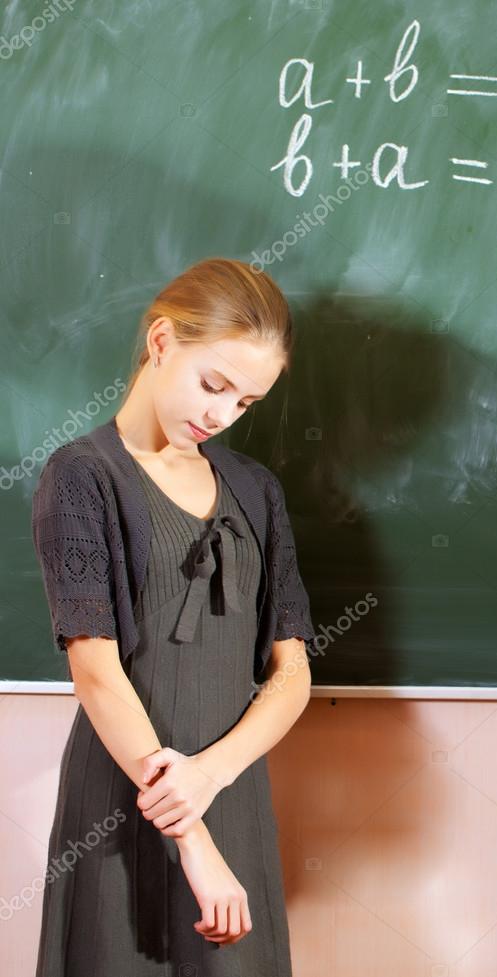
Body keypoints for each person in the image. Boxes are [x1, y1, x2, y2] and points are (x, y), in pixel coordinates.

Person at [30, 258, 316, 976]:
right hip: (121, 799)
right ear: (162, 343)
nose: (220, 415)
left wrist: (210, 778)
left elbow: (293, 672)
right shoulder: (82, 474)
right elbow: (95, 672)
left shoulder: (255, 489)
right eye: (213, 384)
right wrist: (192, 836)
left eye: (244, 403)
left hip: (231, 790)